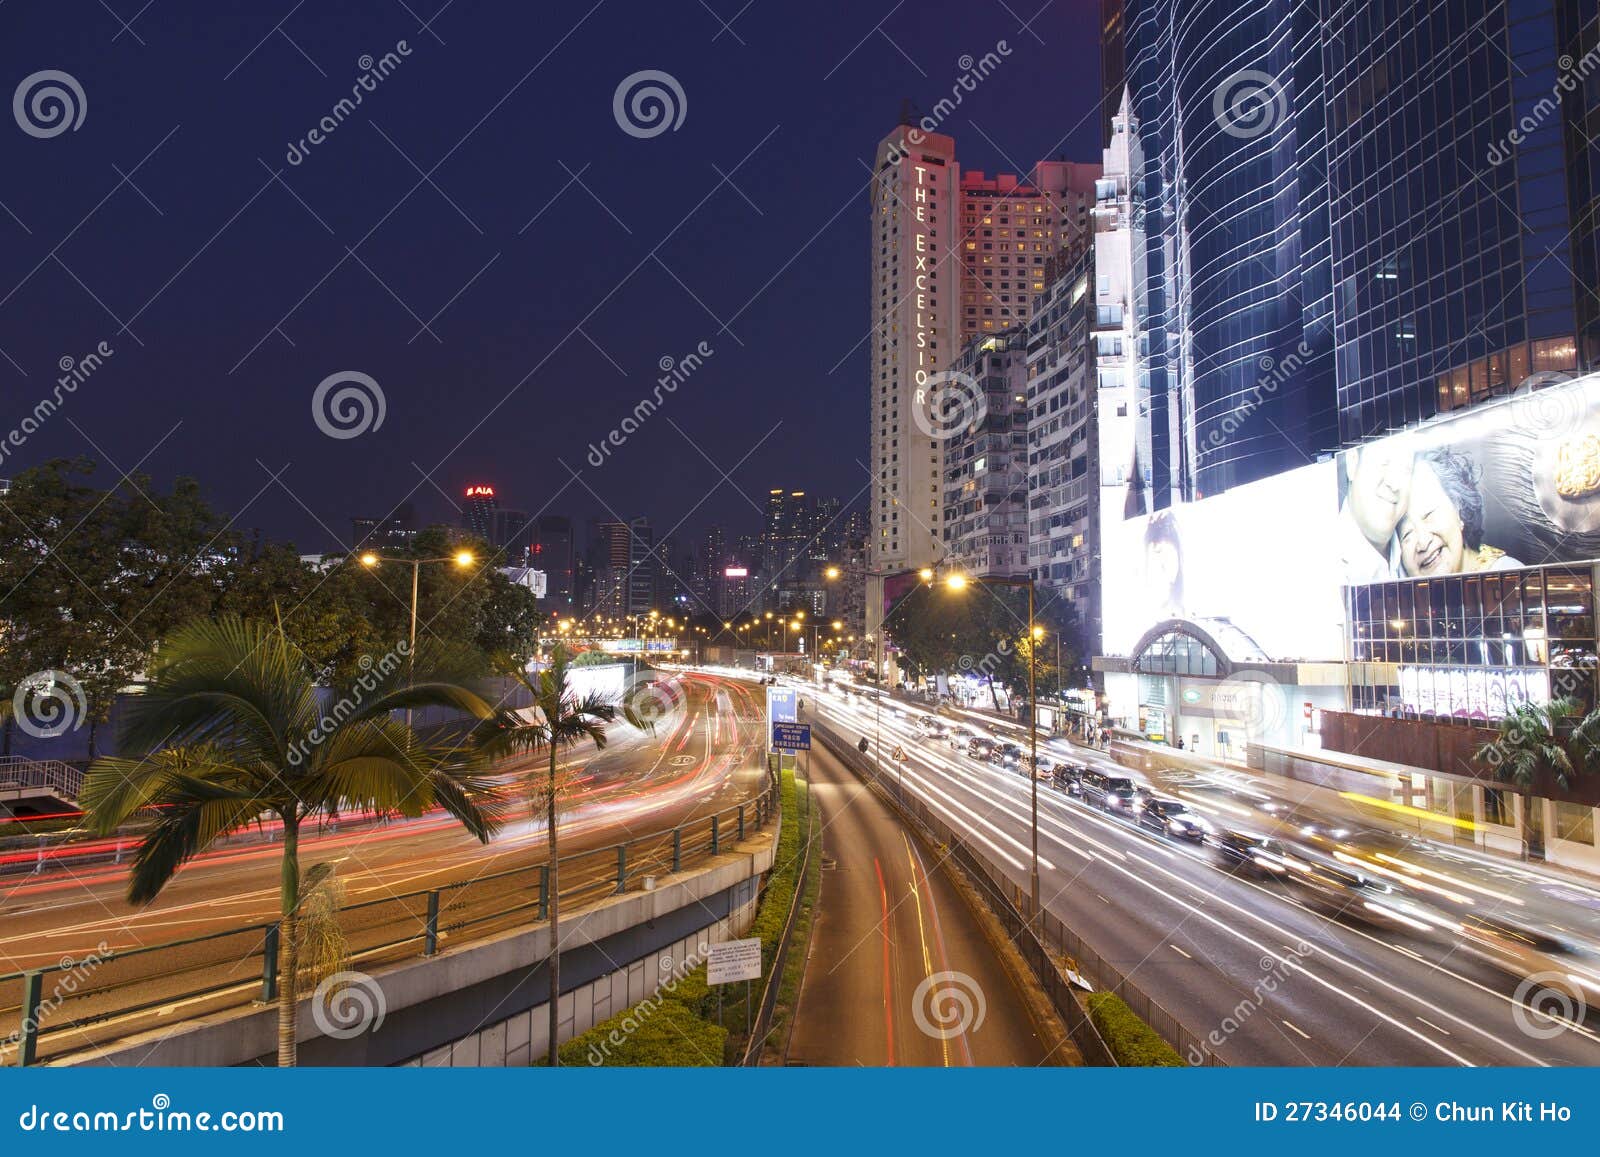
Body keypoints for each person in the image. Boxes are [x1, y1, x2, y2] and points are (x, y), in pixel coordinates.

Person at [1397, 447, 1522, 577]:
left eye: (1429, 514)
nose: (1423, 542)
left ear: (1458, 508)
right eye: (1406, 534)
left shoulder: (1508, 577)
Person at [1337, 440, 1415, 581]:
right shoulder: (1321, 565)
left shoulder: (1418, 557)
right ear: (1352, 462)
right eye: (1384, 462)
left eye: (1406, 469)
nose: (1394, 483)